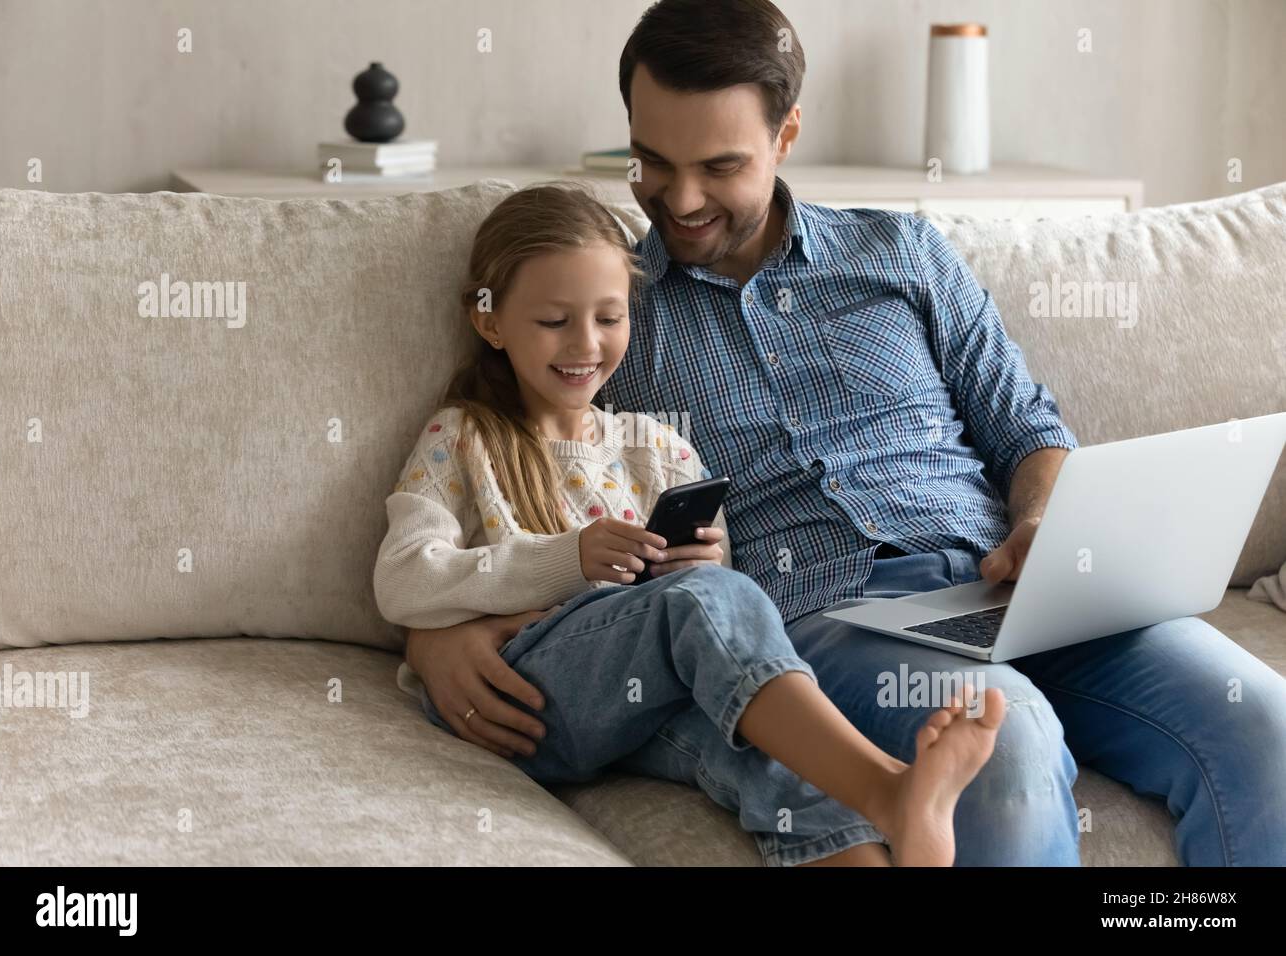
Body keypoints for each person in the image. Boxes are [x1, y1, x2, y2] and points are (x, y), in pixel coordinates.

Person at [404, 0, 1286, 866]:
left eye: (719, 165)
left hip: (1022, 584)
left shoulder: (900, 253)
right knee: (1003, 748)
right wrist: (433, 633)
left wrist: (1042, 524)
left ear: (787, 137)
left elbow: (1027, 426)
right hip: (836, 618)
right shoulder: (613, 311)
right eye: (651, 163)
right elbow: (524, 479)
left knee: (1265, 726)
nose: (680, 199)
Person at [375, 182, 1006, 866]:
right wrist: (570, 559)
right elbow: (403, 579)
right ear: (491, 320)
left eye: (609, 318)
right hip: (524, 697)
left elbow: (722, 608)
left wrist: (709, 566)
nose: (585, 344)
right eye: (554, 321)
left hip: (642, 704)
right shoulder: (462, 437)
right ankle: (892, 790)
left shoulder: (660, 445)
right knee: (702, 605)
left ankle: (881, 819)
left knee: (778, 759)